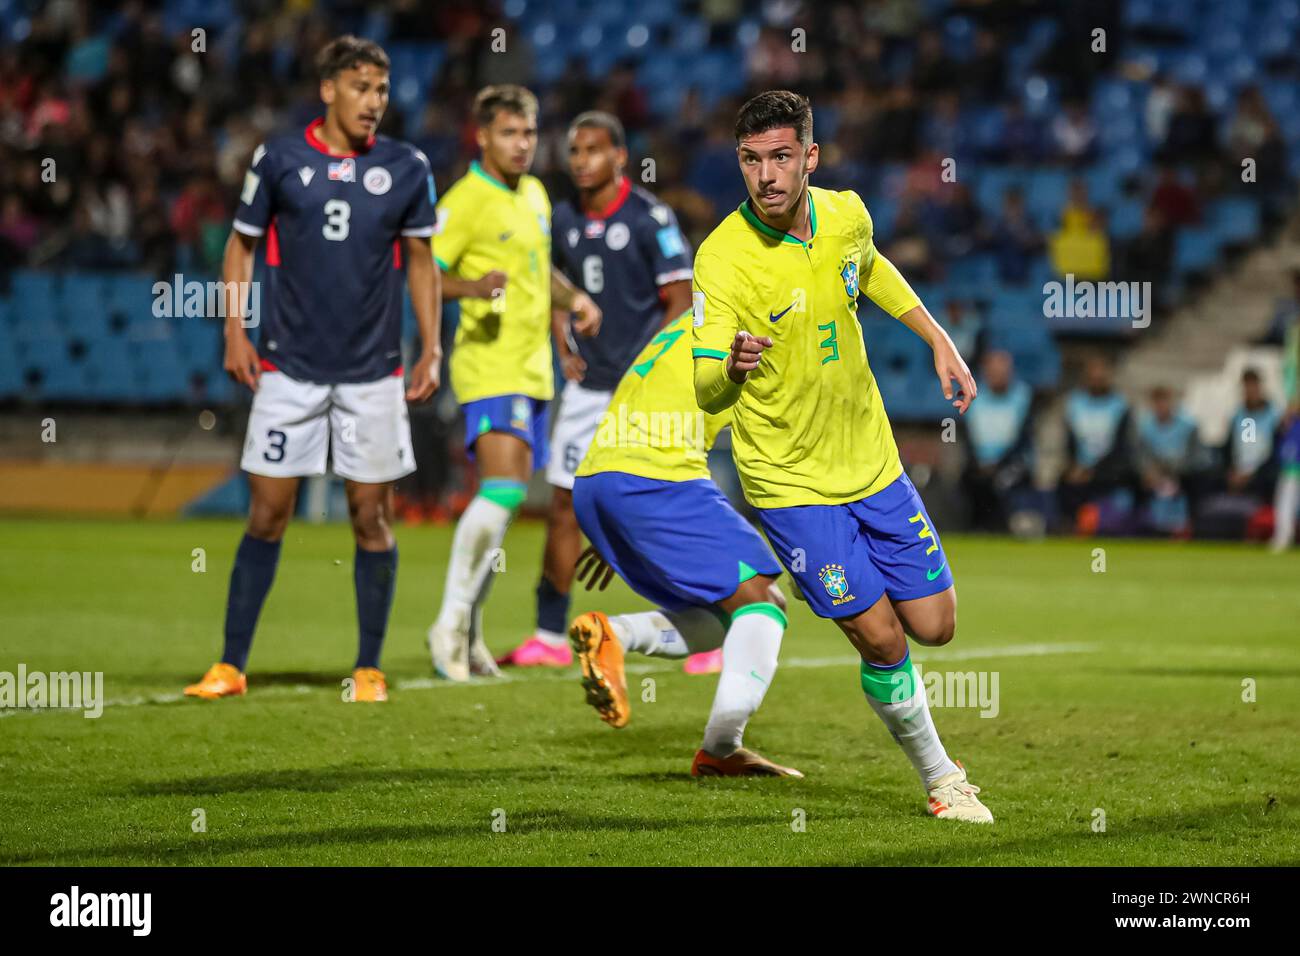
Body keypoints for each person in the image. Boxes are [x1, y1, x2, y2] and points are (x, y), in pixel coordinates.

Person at [691, 90, 992, 822]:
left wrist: (938, 339)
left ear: (810, 157)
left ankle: (741, 608)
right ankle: (941, 780)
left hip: (873, 461)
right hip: (789, 483)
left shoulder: (847, 214)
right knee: (882, 637)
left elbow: (873, 266)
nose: (766, 176)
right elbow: (705, 390)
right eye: (751, 161)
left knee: (935, 625)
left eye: (781, 158)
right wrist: (730, 366)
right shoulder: (721, 259)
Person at [185, 36, 441, 702]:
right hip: (288, 371)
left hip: (373, 374)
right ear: (328, 90)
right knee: (267, 513)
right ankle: (231, 665)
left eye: (382, 90)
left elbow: (420, 263)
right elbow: (240, 248)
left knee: (370, 519)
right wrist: (234, 330)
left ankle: (368, 667)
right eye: (361, 88)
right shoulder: (279, 159)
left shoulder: (407, 167)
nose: (374, 102)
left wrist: (432, 346)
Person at [495, 111, 698, 671]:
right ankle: (548, 634)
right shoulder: (561, 219)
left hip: (645, 391)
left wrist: (648, 370)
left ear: (620, 156)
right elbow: (551, 286)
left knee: (662, 506)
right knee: (563, 505)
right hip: (587, 393)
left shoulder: (649, 217)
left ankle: (705, 624)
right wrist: (563, 342)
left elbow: (681, 302)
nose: (581, 160)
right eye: (574, 150)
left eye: (593, 150)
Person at [568, 311, 799, 776]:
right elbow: (777, 462)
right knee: (763, 600)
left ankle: (615, 633)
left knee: (721, 616)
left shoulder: (689, 321)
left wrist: (623, 526)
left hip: (600, 479)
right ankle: (721, 749)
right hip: (657, 476)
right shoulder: (761, 337)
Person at [426, 84, 601, 681]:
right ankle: (449, 625)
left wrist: (573, 298)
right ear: (482, 136)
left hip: (534, 371)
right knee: (502, 492)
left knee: (505, 504)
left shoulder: (533, 195)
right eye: (509, 133)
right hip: (488, 367)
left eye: (528, 133)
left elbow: (539, 268)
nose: (522, 144)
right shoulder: (464, 201)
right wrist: (472, 289)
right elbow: (423, 273)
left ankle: (471, 634)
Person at [1058, 355, 1134, 533]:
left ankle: (1102, 524)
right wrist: (1076, 466)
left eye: (1100, 377)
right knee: (1064, 480)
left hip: (1108, 468)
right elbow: (1070, 442)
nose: (1096, 381)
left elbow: (1120, 447)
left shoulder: (1120, 405)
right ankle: (1070, 525)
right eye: (1093, 377)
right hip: (1080, 466)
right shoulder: (1075, 404)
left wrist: (1094, 470)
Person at [962, 350, 1034, 532]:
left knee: (1002, 482)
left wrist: (998, 464)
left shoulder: (1023, 397)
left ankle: (1004, 529)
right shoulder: (974, 398)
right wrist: (978, 462)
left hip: (1012, 463)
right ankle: (975, 529)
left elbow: (1023, 439)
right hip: (980, 463)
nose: (997, 377)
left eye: (1002, 372)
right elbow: (967, 437)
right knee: (967, 480)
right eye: (993, 373)